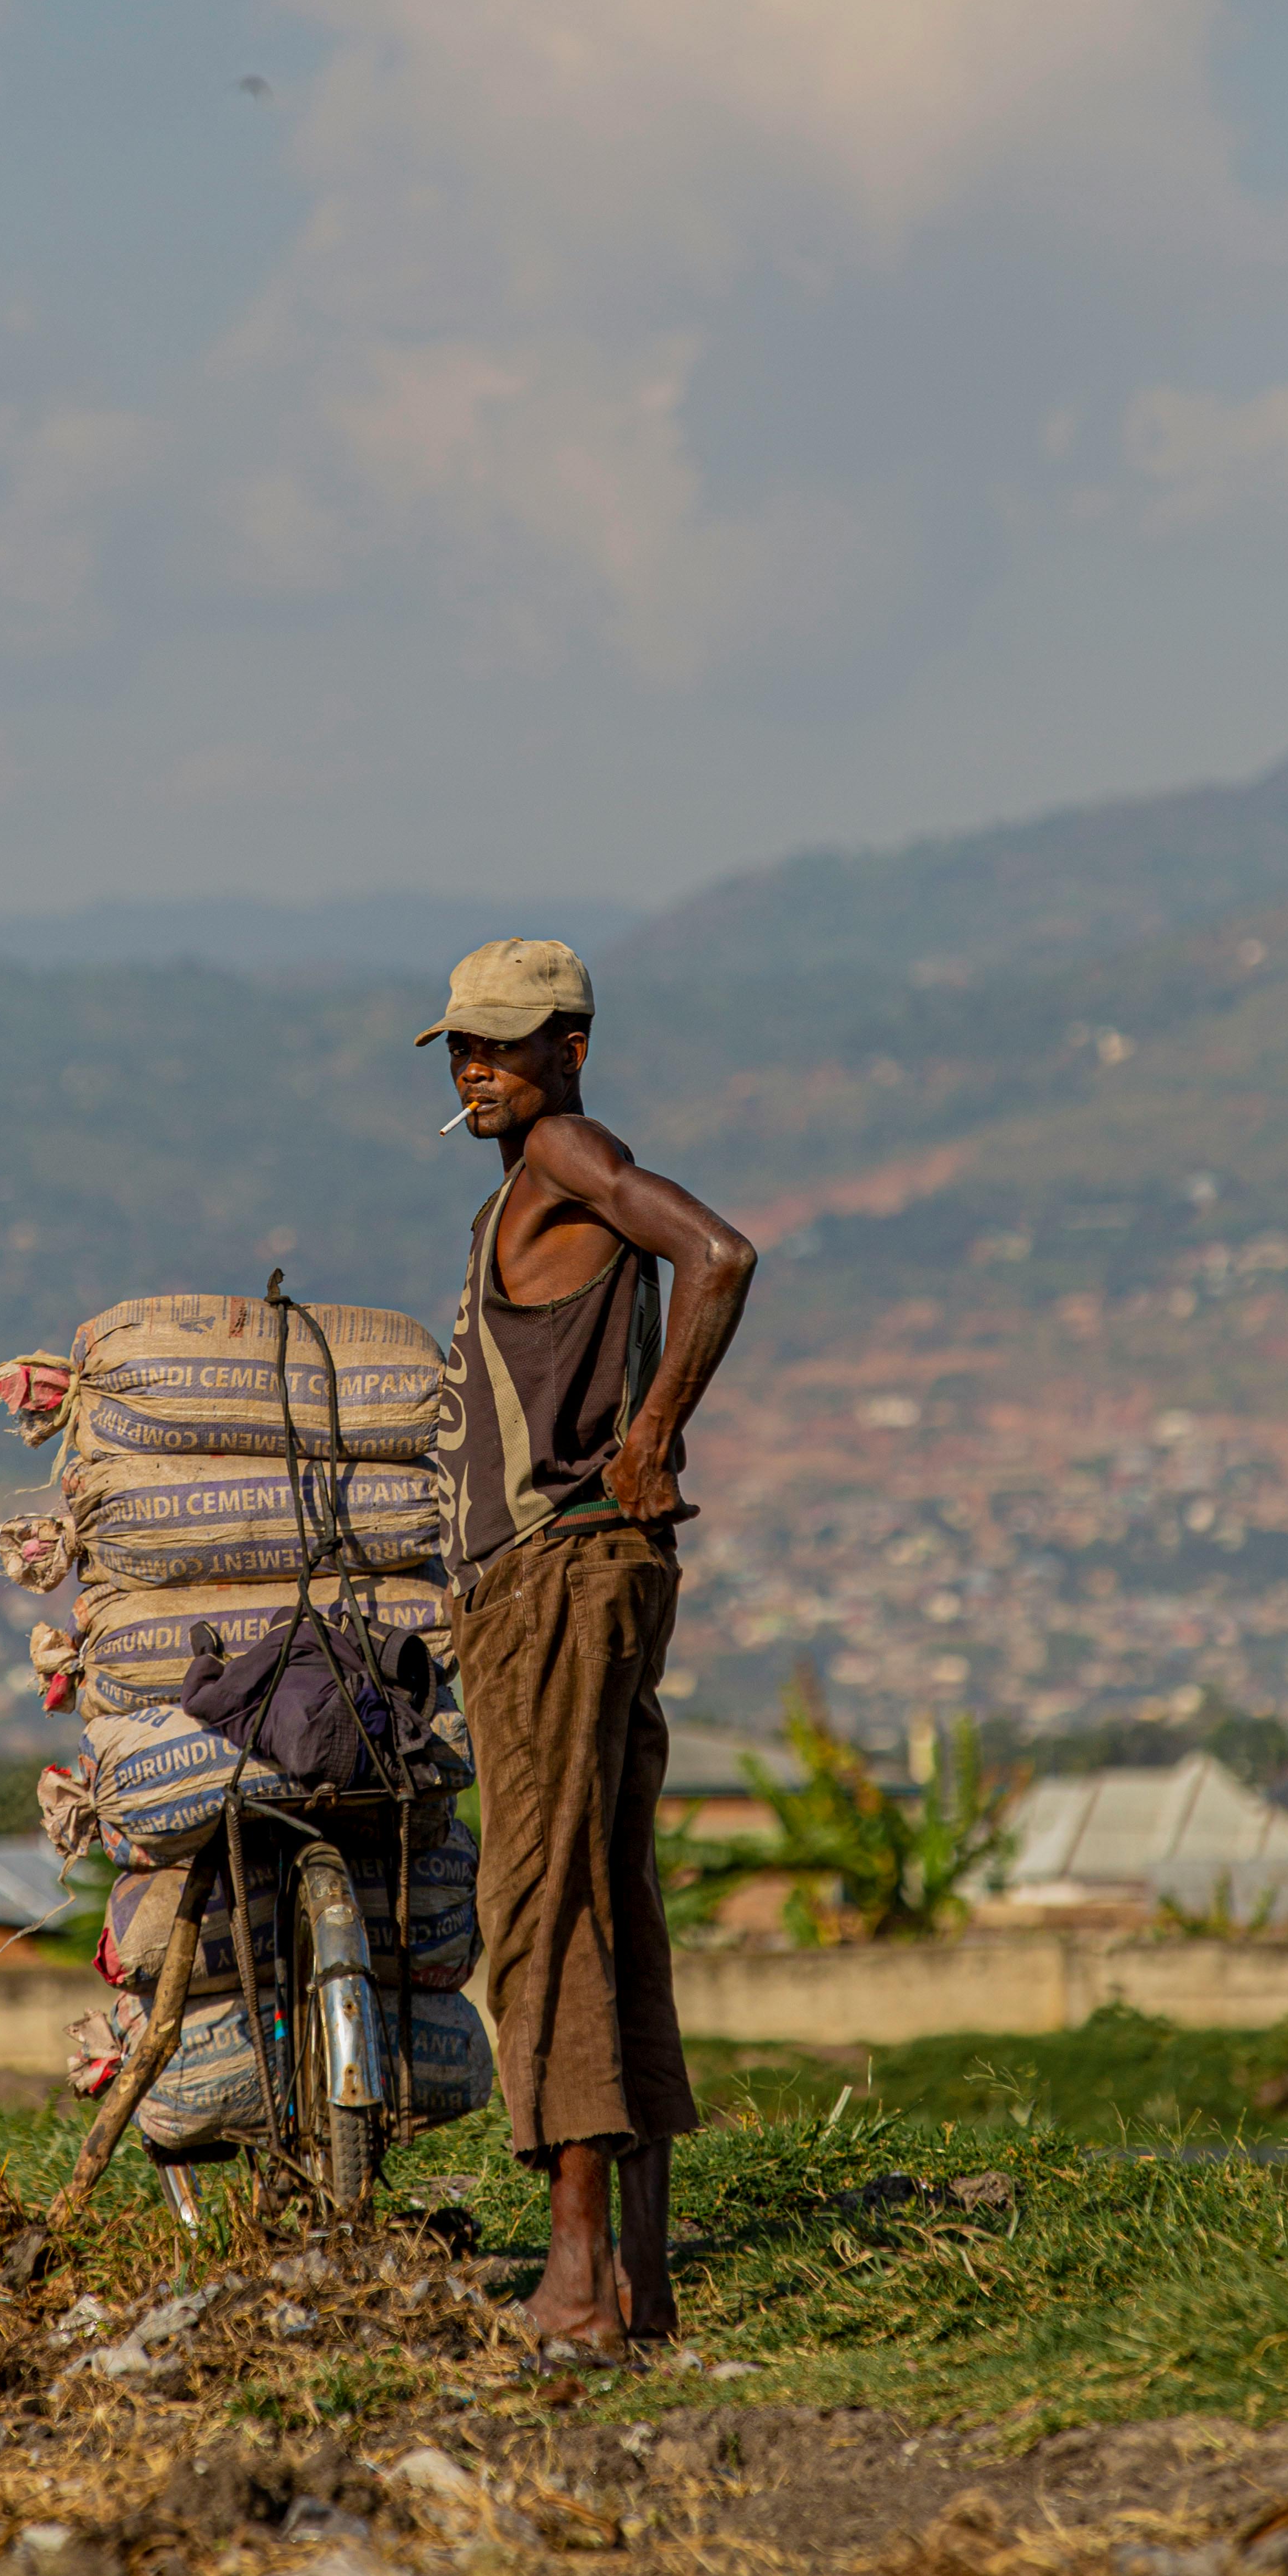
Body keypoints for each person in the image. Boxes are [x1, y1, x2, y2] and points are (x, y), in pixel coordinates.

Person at [420, 936, 756, 2354]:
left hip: (558, 1580)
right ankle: (644, 2275)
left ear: (571, 1044)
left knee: (542, 1906)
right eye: (462, 1046)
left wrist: (654, 1430)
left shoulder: (566, 1149)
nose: (479, 1067)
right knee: (609, 1897)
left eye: (506, 1041)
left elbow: (719, 1253)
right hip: (596, 1577)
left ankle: (572, 2283)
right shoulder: (533, 1182)